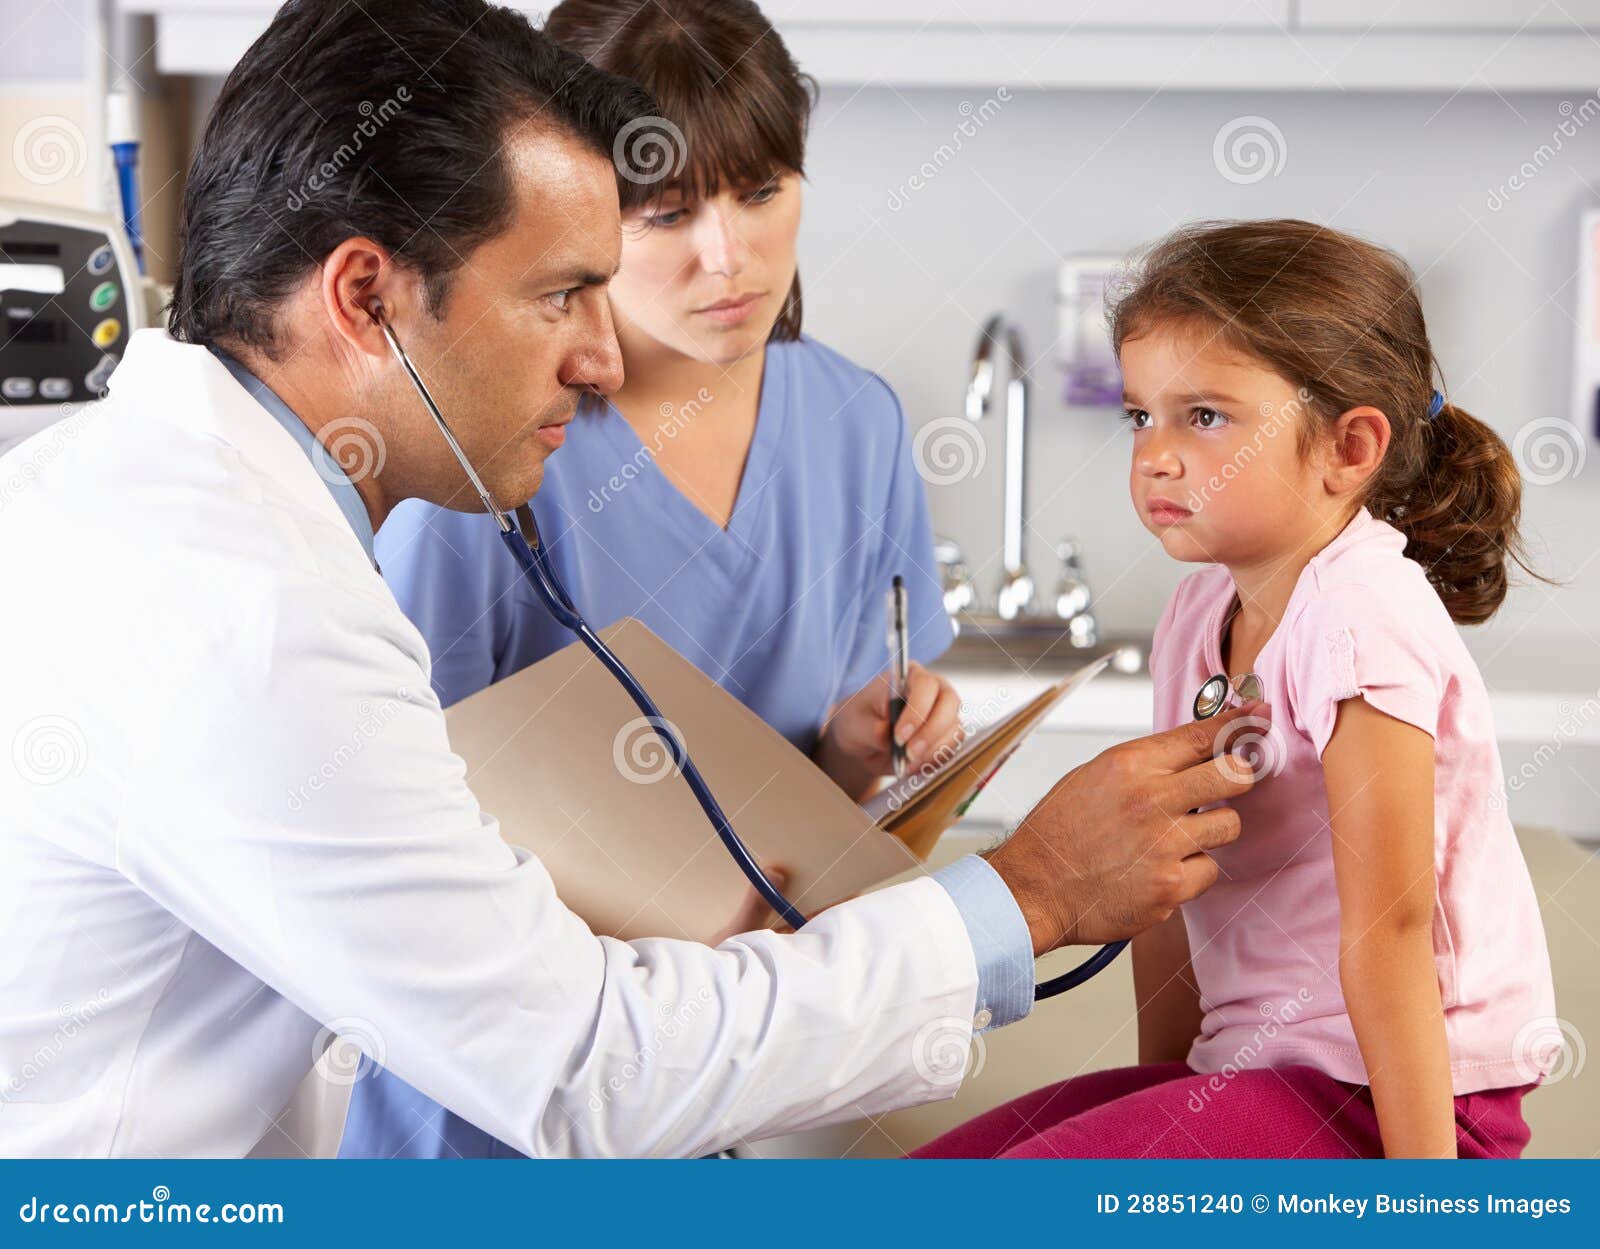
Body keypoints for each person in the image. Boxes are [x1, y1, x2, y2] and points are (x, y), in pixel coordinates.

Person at [0, 0, 1258, 1159]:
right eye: (562, 295)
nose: (605, 359)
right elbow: (580, 1065)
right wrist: (1027, 895)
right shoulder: (254, 618)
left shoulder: (129, 505)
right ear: (368, 298)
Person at [344, 0, 964, 1159]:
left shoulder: (858, 424)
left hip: (730, 1083)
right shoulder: (486, 448)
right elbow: (410, 829)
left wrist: (858, 753)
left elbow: (819, 811)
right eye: (666, 212)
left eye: (762, 191)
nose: (726, 257)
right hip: (501, 1097)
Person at [913, 220, 1557, 1161]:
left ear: (1349, 448)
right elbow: (1167, 891)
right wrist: (1156, 1100)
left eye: (1204, 416)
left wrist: (1430, 1203)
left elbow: (1393, 926)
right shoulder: (1196, 614)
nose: (1156, 454)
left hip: (1400, 1105)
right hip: (1257, 1079)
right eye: (1141, 415)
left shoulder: (1362, 613)